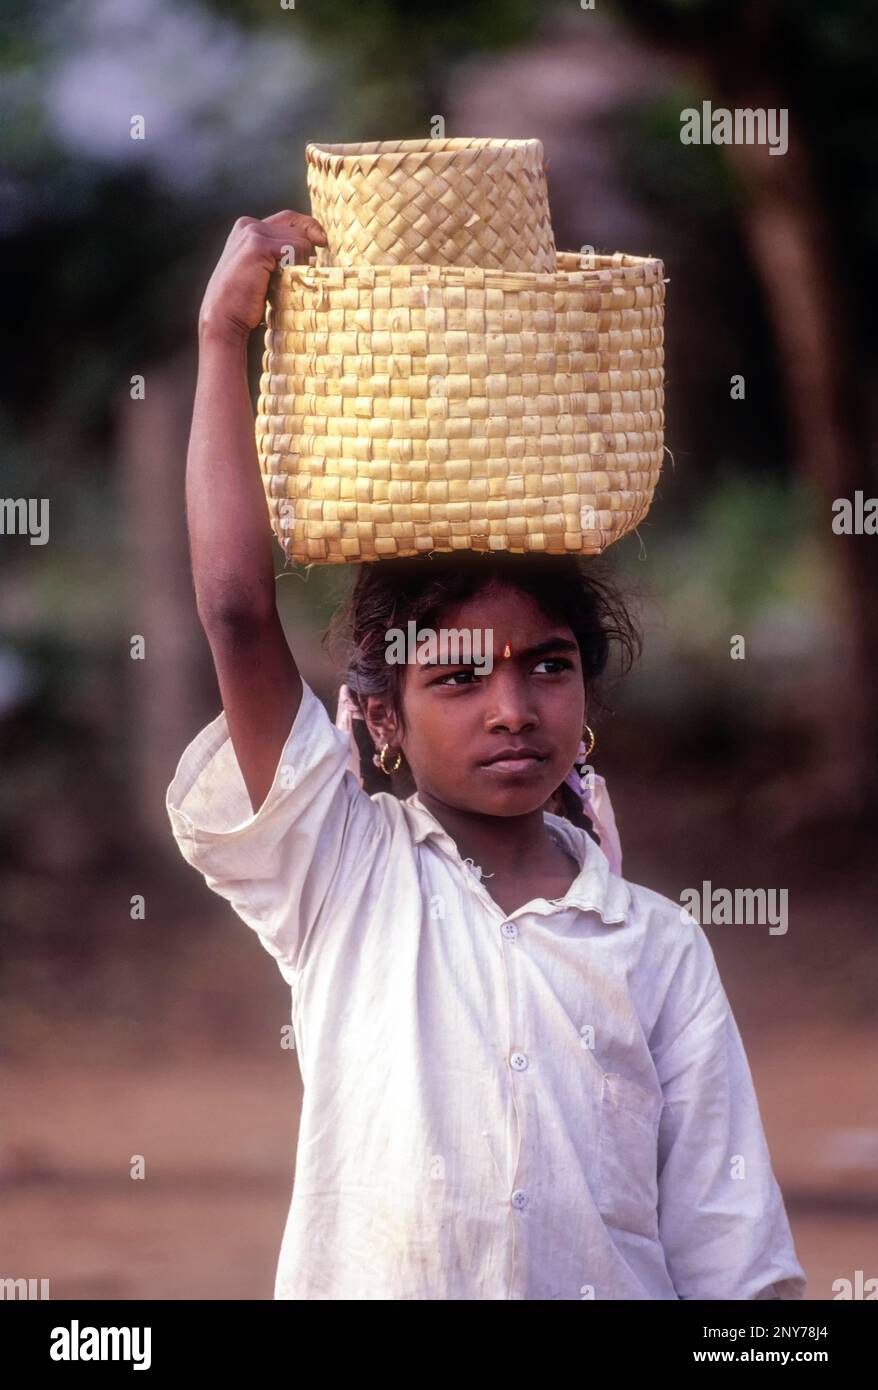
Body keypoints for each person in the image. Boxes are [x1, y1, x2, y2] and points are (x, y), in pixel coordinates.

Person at [166, 210, 807, 1301]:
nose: (511, 707)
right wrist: (222, 340)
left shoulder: (653, 946)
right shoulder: (345, 879)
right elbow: (235, 612)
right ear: (377, 721)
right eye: (457, 677)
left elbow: (731, 1255)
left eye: (545, 667)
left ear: (584, 692)